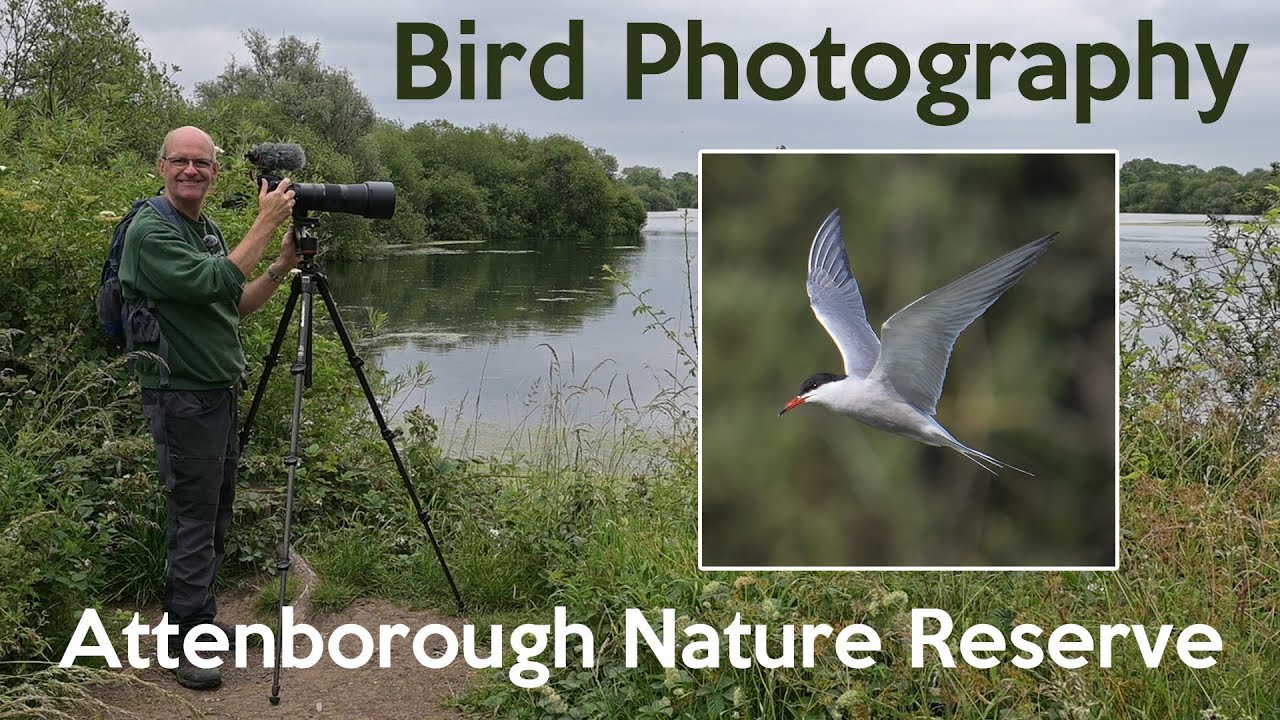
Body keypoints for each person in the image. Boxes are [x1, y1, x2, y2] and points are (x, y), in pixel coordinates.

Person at [120, 126, 298, 690]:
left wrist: (281, 264)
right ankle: (184, 642)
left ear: (216, 173)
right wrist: (267, 222)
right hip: (182, 395)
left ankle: (202, 621)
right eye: (181, 161)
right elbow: (216, 277)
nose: (191, 170)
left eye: (202, 163)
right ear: (161, 166)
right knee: (194, 518)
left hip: (217, 391)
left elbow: (234, 301)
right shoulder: (151, 232)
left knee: (215, 512)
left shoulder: (206, 229)